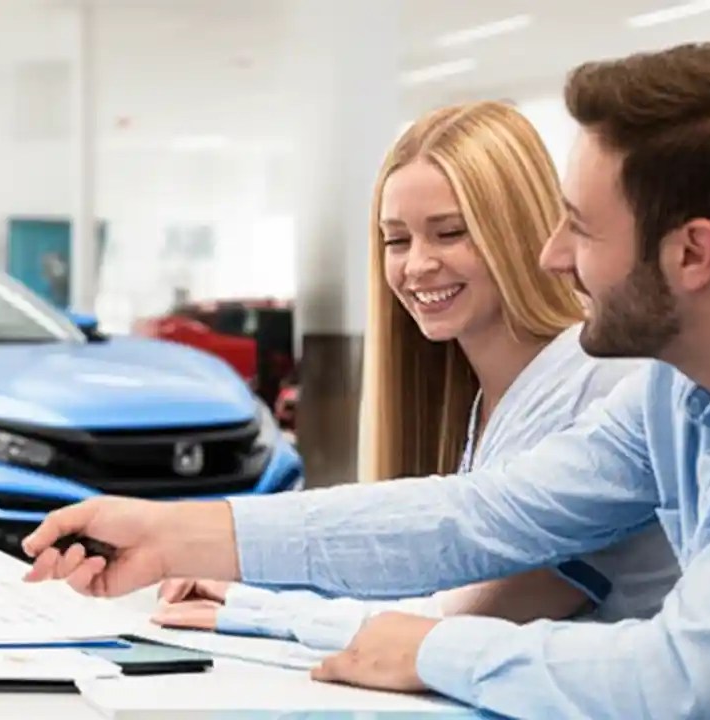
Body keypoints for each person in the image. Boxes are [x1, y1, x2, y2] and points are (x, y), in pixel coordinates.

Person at [23, 42, 710, 719]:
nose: (553, 256)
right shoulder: (674, 390)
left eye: (582, 229)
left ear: (693, 254)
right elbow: (477, 516)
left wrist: (429, 651)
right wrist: (171, 535)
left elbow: (688, 683)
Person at [152, 102, 678, 650]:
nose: (417, 265)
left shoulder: (599, 382)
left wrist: (251, 605)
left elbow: (460, 618)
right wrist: (245, 589)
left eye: (449, 233)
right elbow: (426, 575)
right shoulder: (489, 401)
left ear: (523, 233)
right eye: (397, 241)